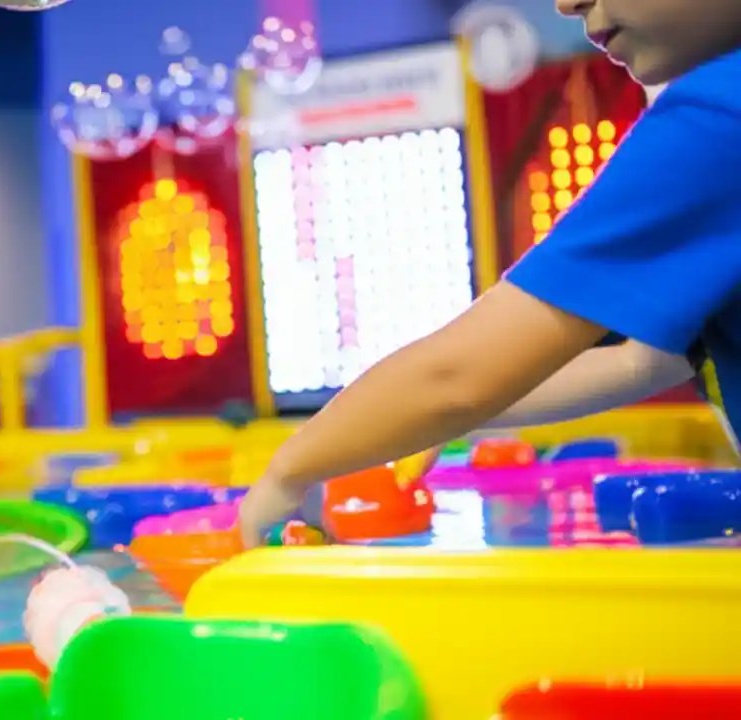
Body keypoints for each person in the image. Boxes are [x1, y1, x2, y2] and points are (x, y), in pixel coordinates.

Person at [238, 0, 741, 547]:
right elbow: (642, 360)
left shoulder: (717, 116)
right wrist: (443, 420)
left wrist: (290, 468)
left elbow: (455, 378)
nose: (568, 3)